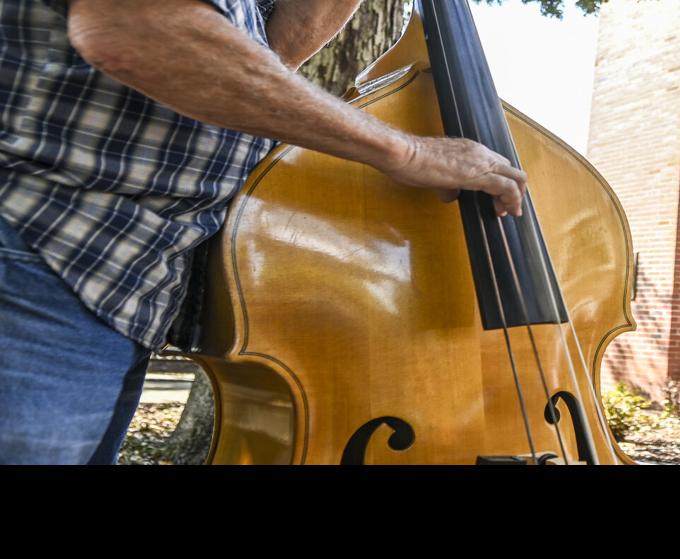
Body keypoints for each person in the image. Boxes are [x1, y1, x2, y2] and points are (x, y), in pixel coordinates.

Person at [0, 0, 529, 464]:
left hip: (115, 278)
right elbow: (137, 28)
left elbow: (270, 64)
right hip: (38, 246)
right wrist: (409, 151)